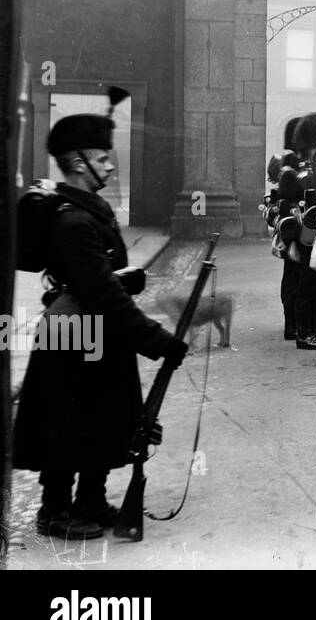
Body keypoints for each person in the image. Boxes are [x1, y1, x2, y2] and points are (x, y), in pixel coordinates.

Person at [13, 96, 188, 540]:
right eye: (102, 158)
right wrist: (156, 340)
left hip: (94, 333)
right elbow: (101, 292)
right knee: (66, 421)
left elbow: (101, 278)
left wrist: (124, 278)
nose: (111, 167)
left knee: (102, 414)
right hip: (73, 333)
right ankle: (55, 510)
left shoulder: (90, 212)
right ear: (76, 163)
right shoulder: (75, 221)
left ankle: (91, 499)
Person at [286, 112, 316, 350]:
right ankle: (305, 332)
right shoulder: (306, 175)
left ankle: (311, 329)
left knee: (315, 287)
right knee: (309, 287)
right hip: (309, 236)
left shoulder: (309, 172)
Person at [266, 117, 302, 341]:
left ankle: (297, 324)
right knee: (293, 282)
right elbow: (273, 210)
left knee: (296, 282)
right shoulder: (285, 164)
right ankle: (293, 324)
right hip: (293, 235)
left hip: (300, 233)